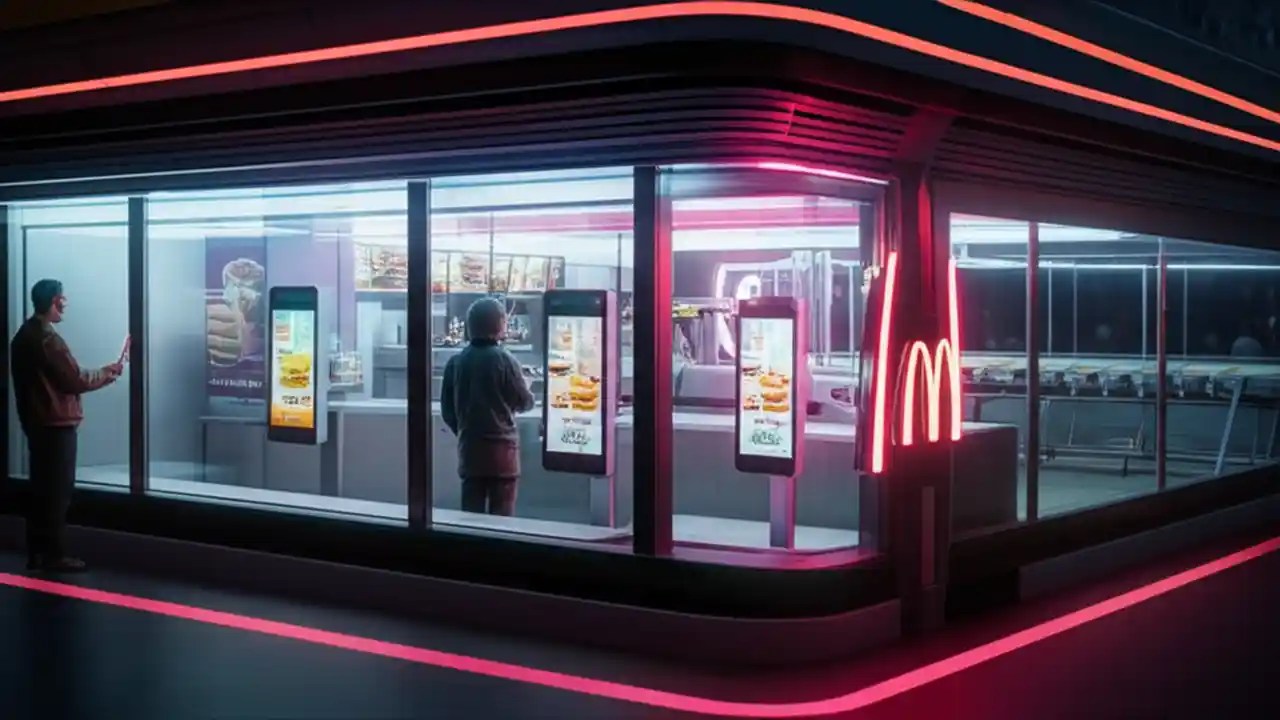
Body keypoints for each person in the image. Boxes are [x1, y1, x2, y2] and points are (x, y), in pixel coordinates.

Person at [10, 279, 123, 572]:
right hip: (56, 425)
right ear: (52, 301)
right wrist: (107, 373)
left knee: (41, 491)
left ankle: (37, 552)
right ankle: (54, 554)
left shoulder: (23, 336)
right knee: (57, 493)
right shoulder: (48, 339)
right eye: (62, 299)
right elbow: (74, 379)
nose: (65, 303)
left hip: (37, 423)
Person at [441, 298, 534, 516]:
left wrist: (465, 431)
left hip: (470, 452)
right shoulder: (505, 360)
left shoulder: (456, 362)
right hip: (503, 456)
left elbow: (448, 411)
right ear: (500, 324)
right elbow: (525, 402)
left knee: (471, 518)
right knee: (501, 520)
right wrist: (526, 385)